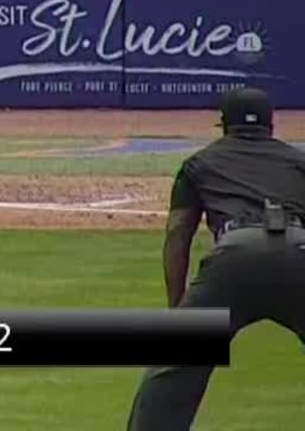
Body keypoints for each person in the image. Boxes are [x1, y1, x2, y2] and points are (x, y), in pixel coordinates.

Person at [125, 87, 305, 431]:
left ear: (224, 125)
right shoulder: (298, 161)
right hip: (298, 250)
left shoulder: (200, 162)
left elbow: (178, 233)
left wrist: (176, 310)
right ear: (271, 125)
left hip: (233, 258)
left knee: (171, 373)